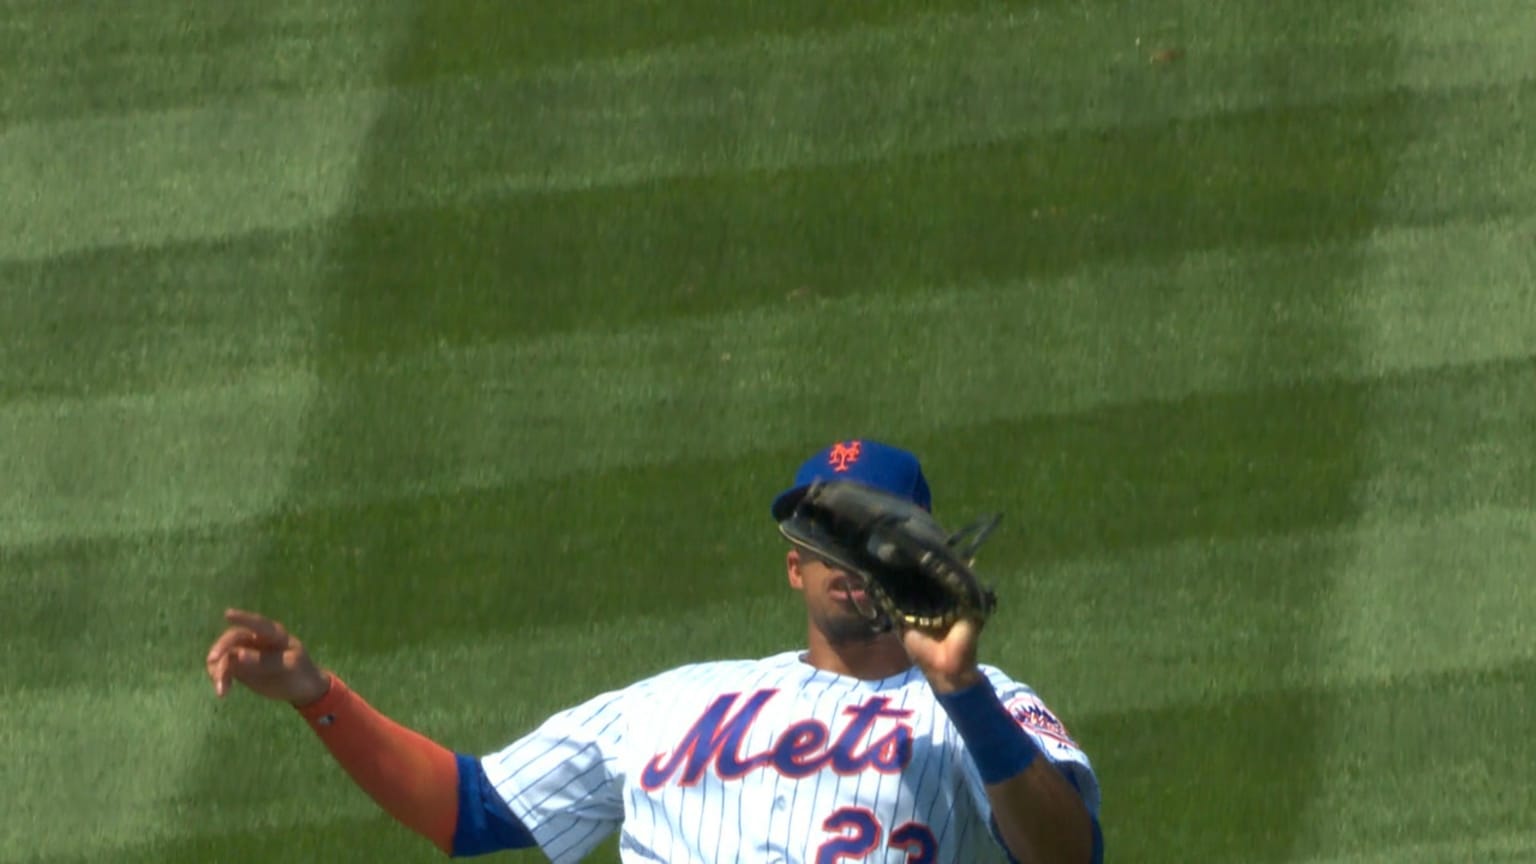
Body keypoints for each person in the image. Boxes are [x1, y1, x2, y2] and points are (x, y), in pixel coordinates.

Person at [205, 439, 1103, 863]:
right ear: (794, 567)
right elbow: (471, 809)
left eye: (871, 534)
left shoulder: (974, 709)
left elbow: (1070, 859)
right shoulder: (672, 705)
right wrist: (318, 696)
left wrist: (962, 691)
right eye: (829, 537)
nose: (849, 560)